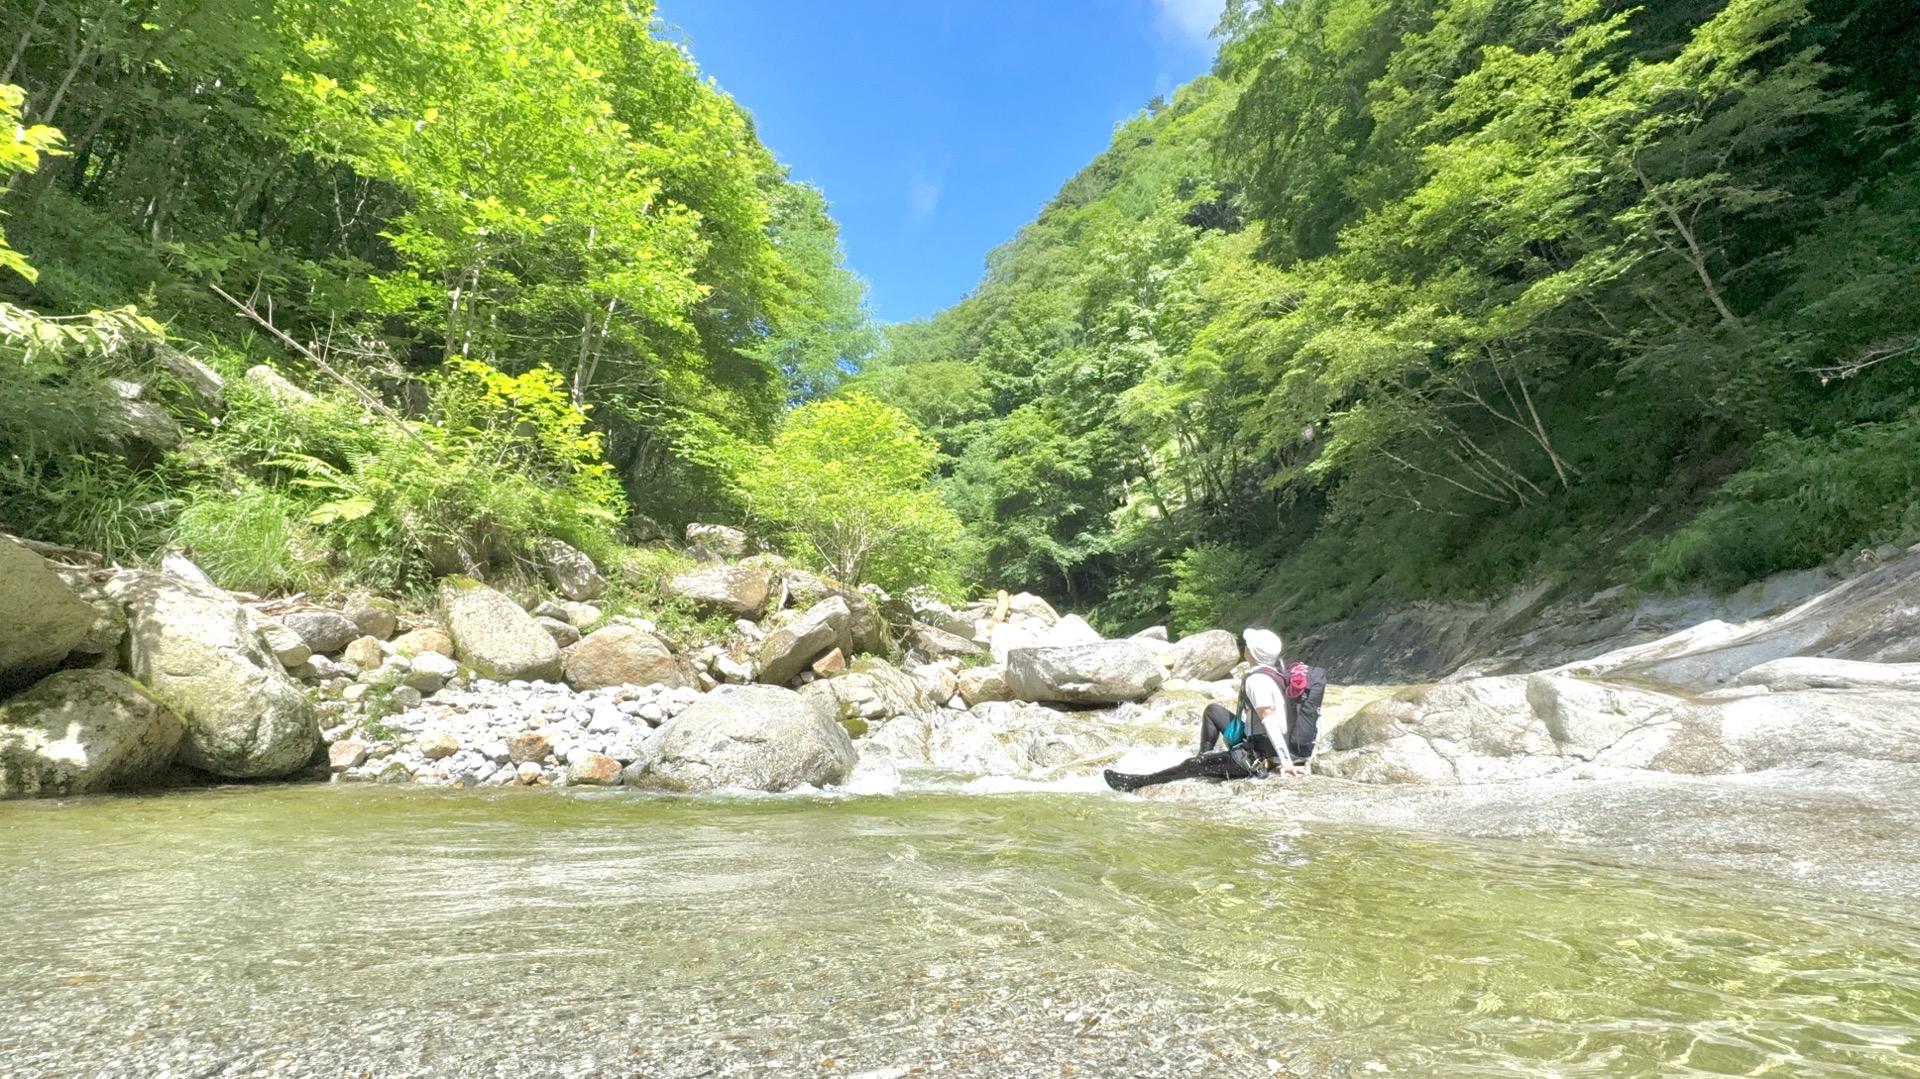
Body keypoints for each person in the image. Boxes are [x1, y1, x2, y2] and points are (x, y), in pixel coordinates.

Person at [1103, 628, 1327, 793]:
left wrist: (1286, 763)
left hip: (1261, 756)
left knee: (1194, 767)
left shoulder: (1258, 680)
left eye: (1247, 645)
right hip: (1264, 742)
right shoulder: (1274, 672)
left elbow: (1269, 720)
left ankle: (1139, 783)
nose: (1244, 647)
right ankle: (1205, 756)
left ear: (1253, 653)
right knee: (1214, 711)